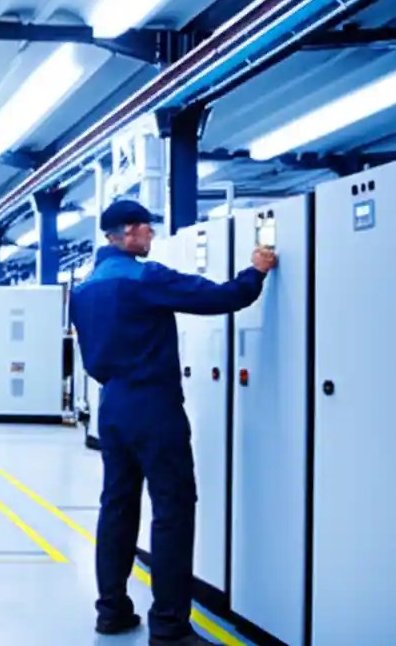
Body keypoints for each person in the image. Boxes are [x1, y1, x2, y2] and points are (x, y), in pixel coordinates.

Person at [69, 200, 277, 645]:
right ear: (129, 232)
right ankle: (169, 626)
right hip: (154, 406)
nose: (151, 237)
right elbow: (219, 298)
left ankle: (112, 611)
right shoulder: (144, 276)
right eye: (147, 230)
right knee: (173, 510)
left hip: (113, 405)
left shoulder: (84, 289)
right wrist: (255, 272)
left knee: (118, 507)